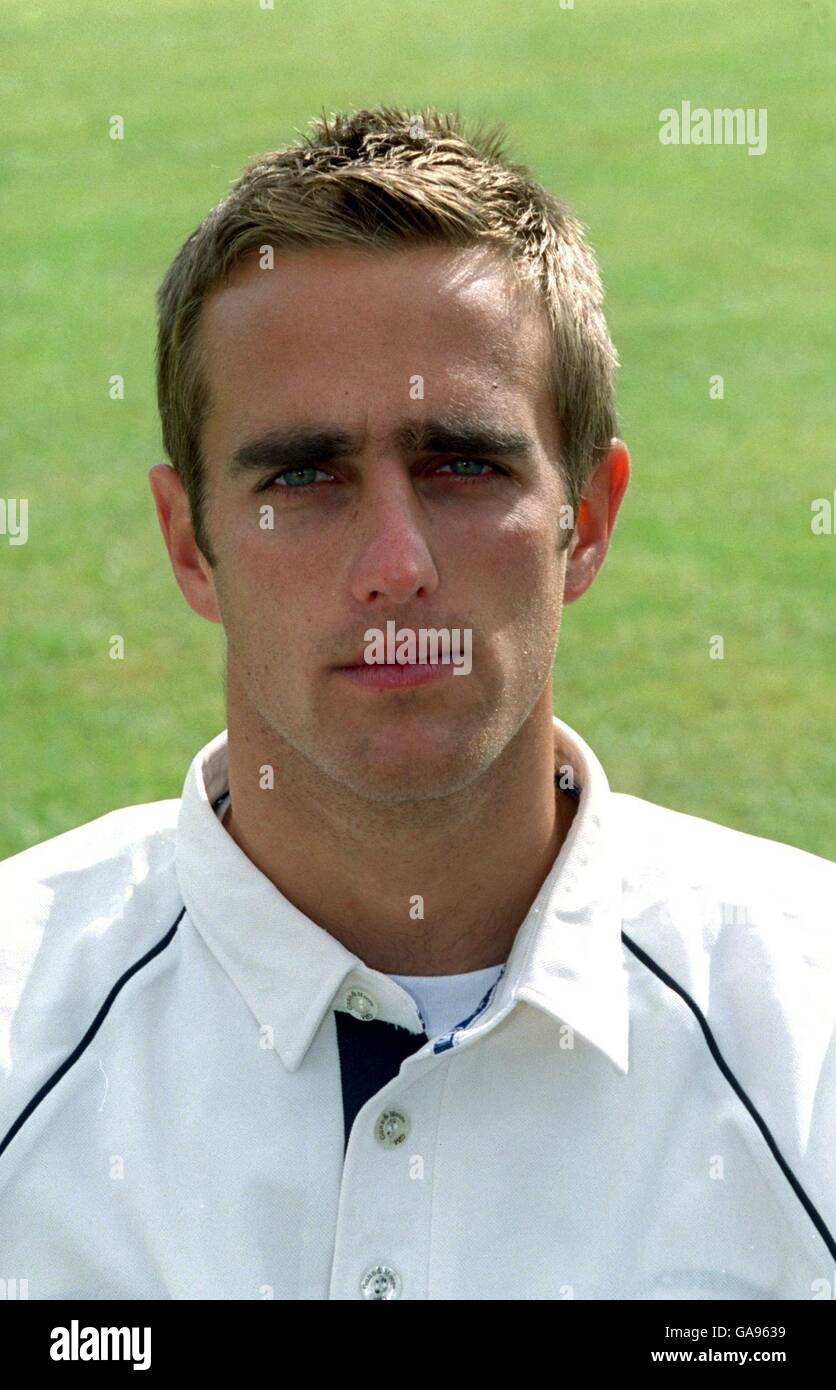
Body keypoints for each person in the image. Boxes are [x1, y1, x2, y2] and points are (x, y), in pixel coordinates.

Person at [1, 105, 833, 1302]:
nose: (395, 562)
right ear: (189, 544)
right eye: (302, 474)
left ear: (584, 520)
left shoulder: (809, 1038)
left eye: (460, 464)